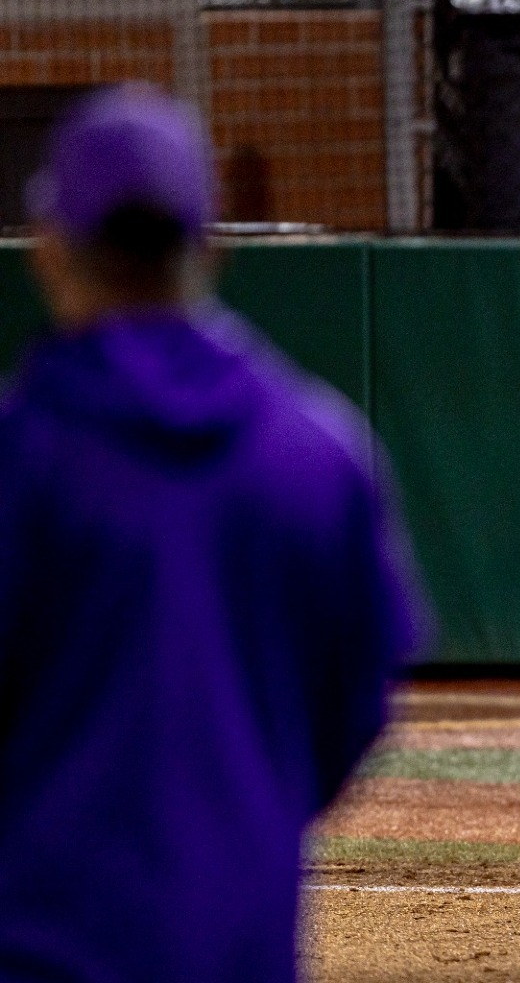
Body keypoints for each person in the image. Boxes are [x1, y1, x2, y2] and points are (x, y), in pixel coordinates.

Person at [0, 85, 424, 981]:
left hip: (37, 936)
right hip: (240, 934)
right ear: (212, 246)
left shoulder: (21, 455)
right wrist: (247, 819)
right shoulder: (321, 452)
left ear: (50, 249)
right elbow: (354, 705)